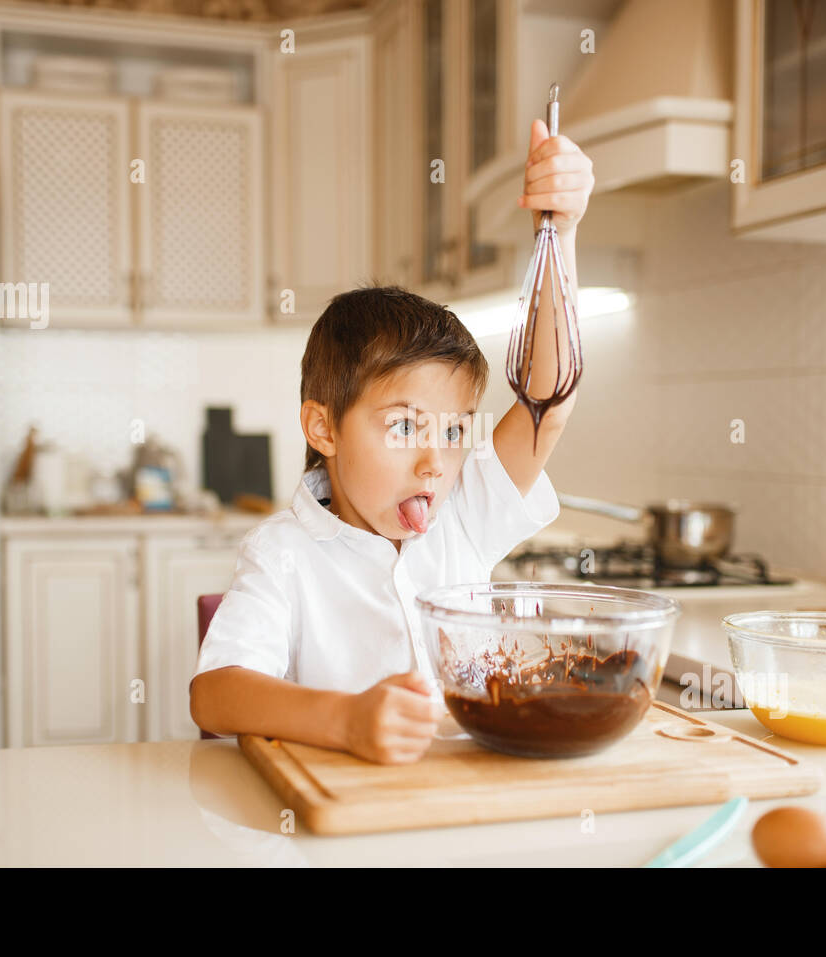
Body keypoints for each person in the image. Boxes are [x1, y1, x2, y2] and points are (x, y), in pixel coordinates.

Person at [189, 118, 595, 763]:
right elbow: (215, 695)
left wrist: (559, 232)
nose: (436, 463)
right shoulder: (283, 554)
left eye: (457, 429)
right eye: (404, 426)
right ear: (323, 427)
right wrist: (346, 720)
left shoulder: (464, 514)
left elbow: (550, 398)